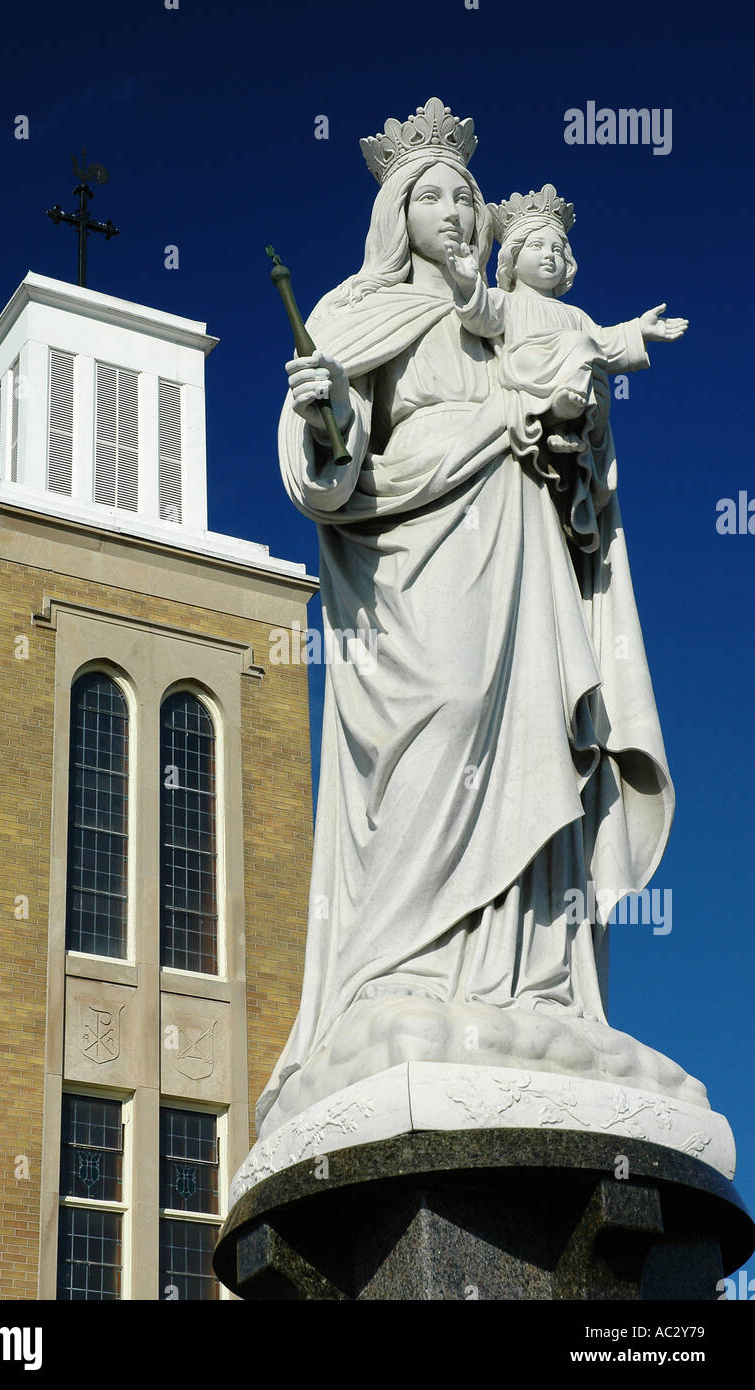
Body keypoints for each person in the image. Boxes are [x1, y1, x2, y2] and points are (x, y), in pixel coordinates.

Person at [256, 100, 674, 1140]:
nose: (454, 210)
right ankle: (398, 969)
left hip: (522, 552)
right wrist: (328, 411)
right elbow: (334, 451)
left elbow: (571, 442)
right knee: (439, 718)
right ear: (399, 213)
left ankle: (528, 983)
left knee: (539, 749)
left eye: (465, 197)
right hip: (421, 556)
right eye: (432, 195)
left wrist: (579, 405)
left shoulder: (501, 321)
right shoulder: (363, 309)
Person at [446, 184, 688, 547]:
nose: (549, 256)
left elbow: (604, 344)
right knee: (580, 348)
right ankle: (557, 413)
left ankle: (569, 423)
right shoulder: (505, 300)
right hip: (529, 370)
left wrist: (639, 330)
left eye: (558, 250)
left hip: (576, 380)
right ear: (512, 258)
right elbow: (480, 317)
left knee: (589, 358)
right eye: (537, 246)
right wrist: (467, 282)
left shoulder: (574, 315)